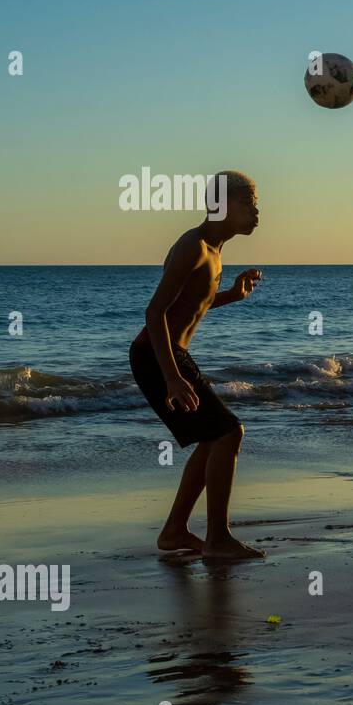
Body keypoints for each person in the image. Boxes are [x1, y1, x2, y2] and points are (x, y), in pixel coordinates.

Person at [128, 171, 266, 561]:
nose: (257, 213)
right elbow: (155, 312)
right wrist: (172, 377)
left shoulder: (214, 249)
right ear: (221, 205)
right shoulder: (194, 246)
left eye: (257, 205)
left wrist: (232, 296)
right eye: (248, 203)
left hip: (169, 353)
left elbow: (191, 305)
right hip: (156, 356)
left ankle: (174, 531)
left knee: (215, 438)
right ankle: (217, 539)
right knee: (228, 433)